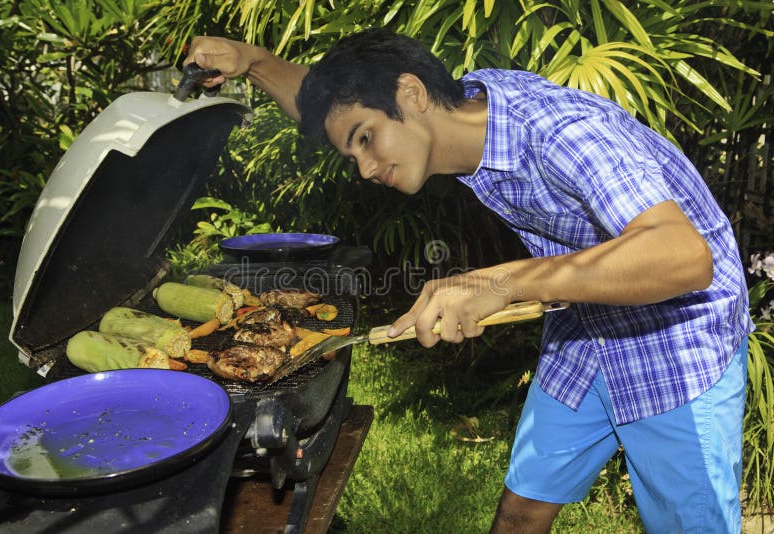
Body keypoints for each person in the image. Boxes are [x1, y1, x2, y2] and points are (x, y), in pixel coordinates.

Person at [184, 28, 753, 533]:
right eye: (352, 153)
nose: (365, 169)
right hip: (586, 322)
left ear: (412, 94)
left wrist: (502, 283)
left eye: (366, 140)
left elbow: (683, 257)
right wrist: (254, 62)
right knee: (521, 513)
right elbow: (335, 101)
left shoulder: (562, 132)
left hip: (677, 333)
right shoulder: (463, 109)